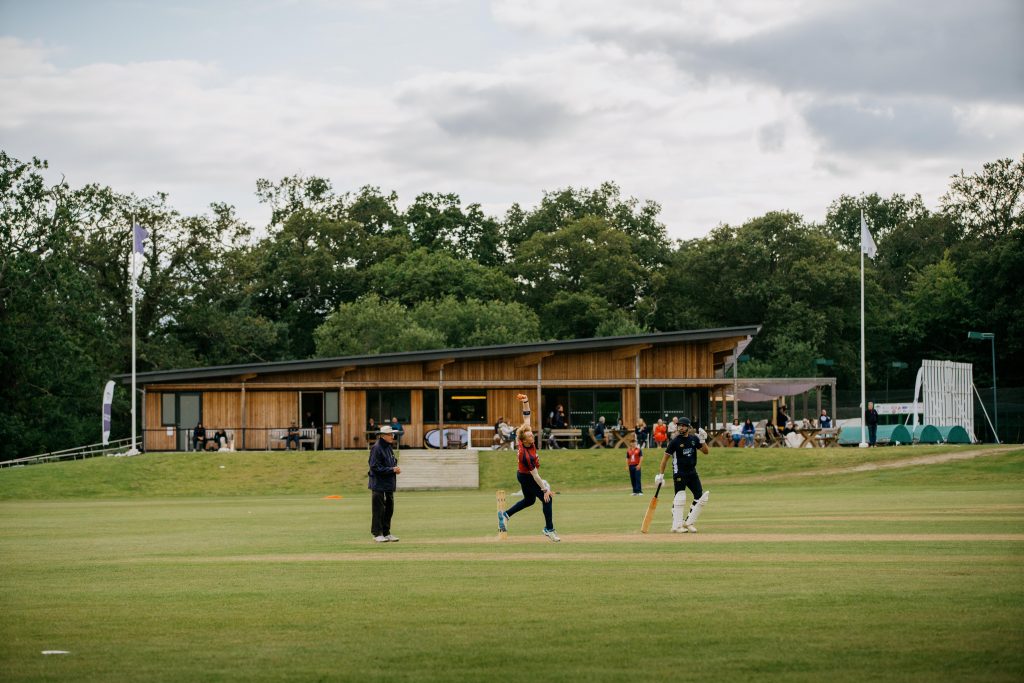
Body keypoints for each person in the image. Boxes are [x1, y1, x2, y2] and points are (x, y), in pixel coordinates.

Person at [497, 393, 560, 542]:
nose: (533, 436)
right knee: (547, 499)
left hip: (522, 475)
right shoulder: (526, 455)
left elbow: (526, 416)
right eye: (530, 436)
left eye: (532, 434)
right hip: (527, 476)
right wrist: (545, 489)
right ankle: (549, 529)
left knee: (529, 500)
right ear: (524, 441)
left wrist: (525, 401)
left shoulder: (524, 439)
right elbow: (536, 476)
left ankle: (505, 515)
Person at [655, 416, 710, 533]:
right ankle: (676, 525)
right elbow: (665, 459)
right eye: (679, 425)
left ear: (688, 427)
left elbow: (706, 452)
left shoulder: (694, 439)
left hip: (692, 472)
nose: (681, 427)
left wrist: (703, 440)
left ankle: (689, 522)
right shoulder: (675, 441)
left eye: (683, 425)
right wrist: (661, 475)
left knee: (699, 496)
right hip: (679, 473)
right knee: (680, 497)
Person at [368, 425, 401, 542]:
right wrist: (391, 470)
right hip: (378, 484)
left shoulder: (388, 447)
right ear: (383, 436)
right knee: (378, 509)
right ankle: (377, 533)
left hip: (388, 484)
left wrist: (395, 467)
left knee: (389, 509)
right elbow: (374, 467)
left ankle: (386, 532)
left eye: (392, 434)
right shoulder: (376, 448)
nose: (392, 436)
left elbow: (391, 462)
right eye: (390, 434)